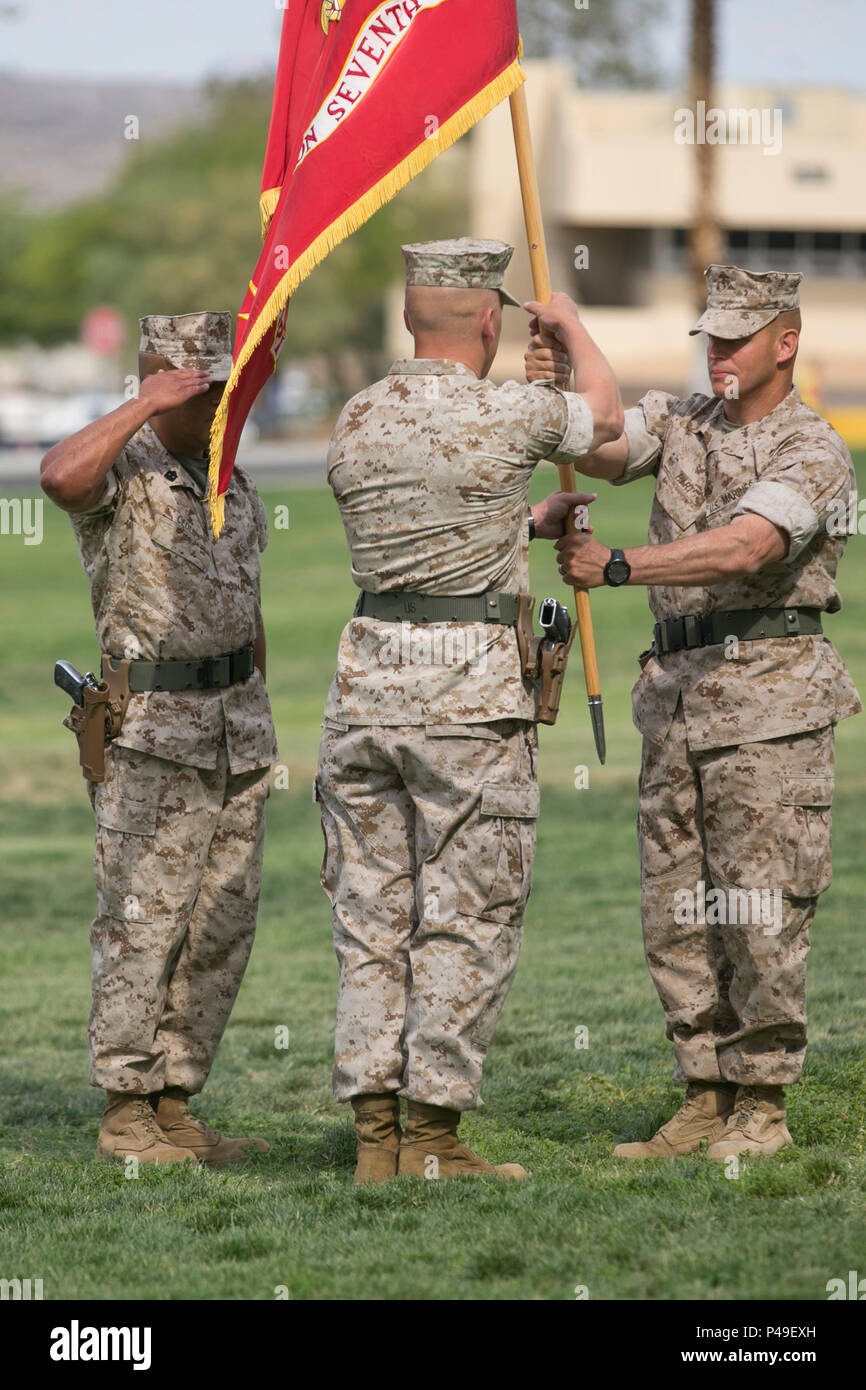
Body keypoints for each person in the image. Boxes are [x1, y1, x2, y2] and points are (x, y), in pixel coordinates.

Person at [527, 265, 861, 1160]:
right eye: (709, 336)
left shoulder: (814, 450)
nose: (717, 351)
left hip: (769, 706)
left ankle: (764, 1105)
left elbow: (751, 545)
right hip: (675, 701)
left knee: (760, 908)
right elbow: (599, 447)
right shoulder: (682, 421)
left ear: (784, 343)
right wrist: (571, 343)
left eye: (736, 338)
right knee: (676, 910)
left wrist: (624, 566)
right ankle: (704, 1093)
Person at [315, 238, 623, 1183]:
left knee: (371, 921)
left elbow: (431, 524)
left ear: (410, 318)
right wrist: (567, 323)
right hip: (468, 707)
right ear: (490, 321)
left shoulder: (357, 416)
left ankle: (376, 1145)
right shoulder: (504, 411)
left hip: (365, 691)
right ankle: (435, 1138)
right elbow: (605, 420)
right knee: (467, 913)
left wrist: (519, 524)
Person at [41, 311, 277, 1165]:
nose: (218, 406)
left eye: (226, 390)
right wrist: (142, 406)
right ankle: (124, 1112)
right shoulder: (125, 469)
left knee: (220, 925)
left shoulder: (230, 479)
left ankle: (174, 1101)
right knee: (142, 922)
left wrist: (260, 702)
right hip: (151, 737)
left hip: (237, 731)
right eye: (202, 390)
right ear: (156, 384)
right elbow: (59, 477)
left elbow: (247, 612)